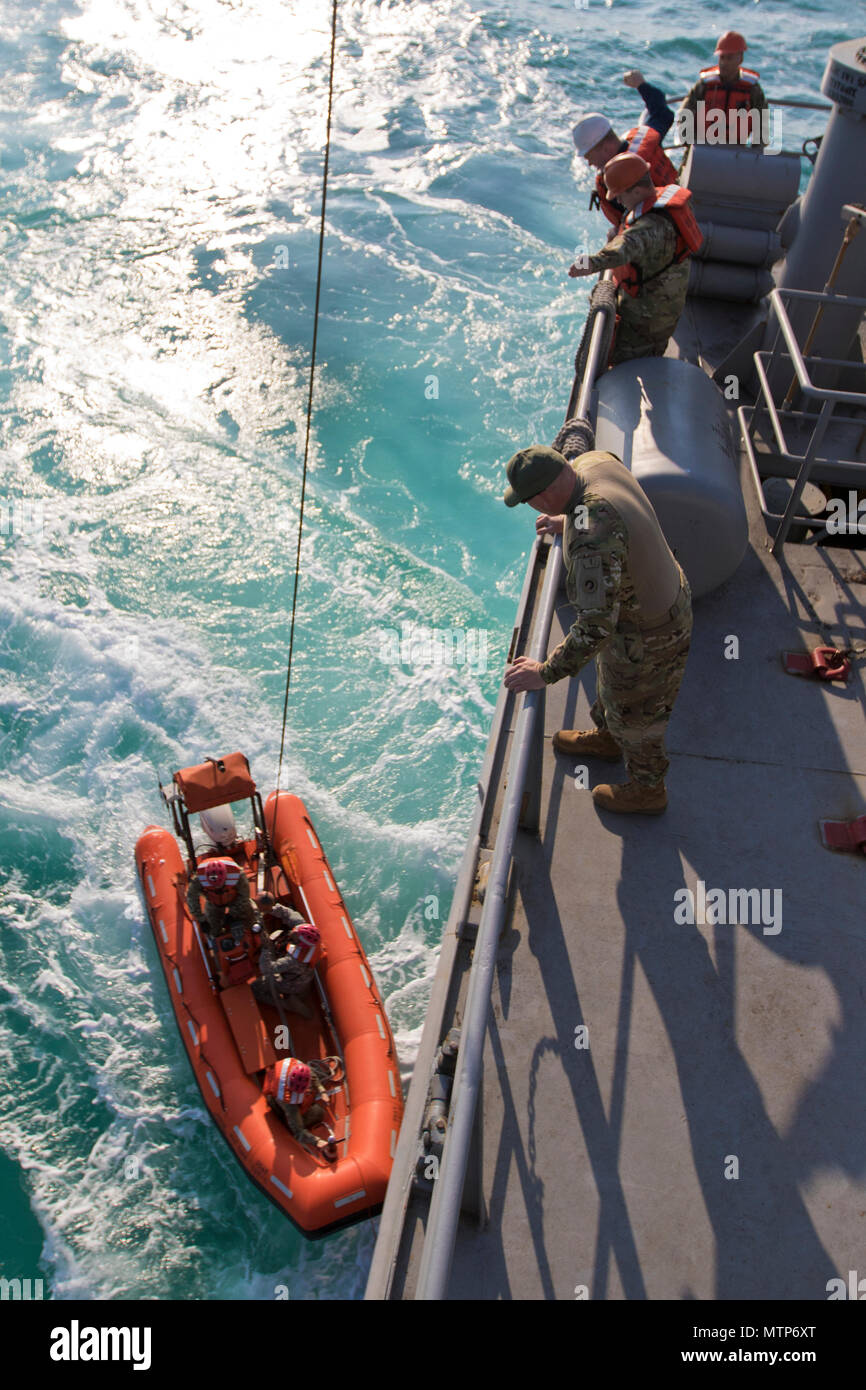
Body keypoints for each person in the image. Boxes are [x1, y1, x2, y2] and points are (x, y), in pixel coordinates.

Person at [501, 425, 692, 814]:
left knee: (640, 716)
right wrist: (566, 520)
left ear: (542, 496)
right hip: (653, 594)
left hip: (652, 631)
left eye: (531, 501)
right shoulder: (594, 462)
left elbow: (595, 627)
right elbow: (602, 506)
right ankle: (608, 738)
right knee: (614, 684)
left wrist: (546, 672)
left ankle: (648, 790)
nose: (533, 509)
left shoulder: (592, 534)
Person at [568, 152, 702, 365]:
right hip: (666, 308)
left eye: (620, 195)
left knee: (626, 364)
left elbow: (625, 247)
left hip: (647, 320)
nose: (618, 201)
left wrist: (588, 263)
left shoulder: (650, 227)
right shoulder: (662, 202)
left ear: (638, 190)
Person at [572, 71, 680, 230]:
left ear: (606, 148)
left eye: (589, 156)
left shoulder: (618, 182)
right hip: (680, 208)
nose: (588, 163)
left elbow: (631, 226)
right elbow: (662, 113)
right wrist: (641, 85)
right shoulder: (643, 142)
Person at [677, 31, 769, 147]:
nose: (723, 63)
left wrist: (754, 153)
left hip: (736, 153)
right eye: (721, 58)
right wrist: (692, 144)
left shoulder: (752, 89)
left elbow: (763, 125)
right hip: (702, 149)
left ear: (740, 59)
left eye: (729, 58)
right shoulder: (704, 85)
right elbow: (684, 115)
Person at [251, 893, 324, 1019]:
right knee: (278, 936)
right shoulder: (305, 933)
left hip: (293, 983)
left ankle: (289, 1005)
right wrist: (270, 910)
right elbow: (288, 914)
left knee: (255, 988)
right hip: (304, 975)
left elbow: (267, 969)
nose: (292, 931)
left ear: (299, 943)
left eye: (295, 934)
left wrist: (265, 949)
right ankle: (299, 995)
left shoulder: (294, 960)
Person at [264, 1057, 337, 1160]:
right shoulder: (288, 1101)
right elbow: (298, 1132)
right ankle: (286, 1125)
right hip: (280, 1106)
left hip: (282, 1093)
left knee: (318, 1076)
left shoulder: (298, 1067)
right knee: (318, 1113)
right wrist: (317, 1141)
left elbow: (312, 1076)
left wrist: (322, 1090)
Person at [185, 856, 256, 940]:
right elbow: (191, 896)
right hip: (213, 901)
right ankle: (218, 938)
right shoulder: (198, 879)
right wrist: (201, 919)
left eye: (220, 885)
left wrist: (233, 914)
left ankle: (253, 934)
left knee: (248, 916)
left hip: (235, 899)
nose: (218, 888)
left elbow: (244, 896)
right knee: (212, 927)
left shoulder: (238, 874)